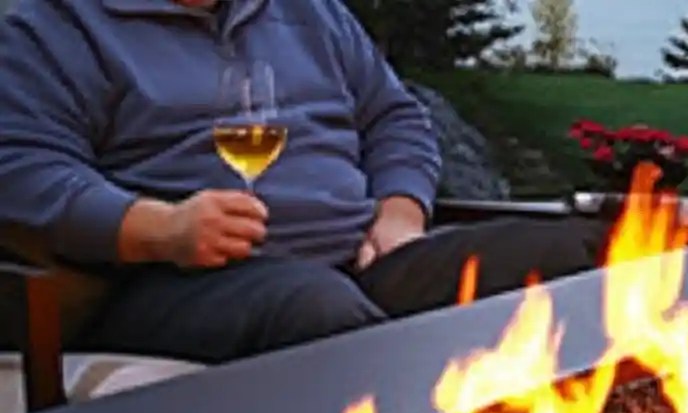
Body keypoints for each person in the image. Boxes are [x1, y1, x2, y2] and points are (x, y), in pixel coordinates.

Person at [0, 0, 603, 364]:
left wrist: (400, 214)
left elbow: (393, 115)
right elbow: (23, 170)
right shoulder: (52, 27)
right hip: (176, 282)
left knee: (560, 253)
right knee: (319, 311)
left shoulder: (310, 12)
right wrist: (160, 229)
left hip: (360, 259)